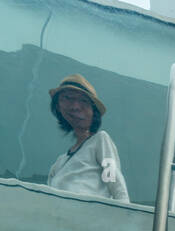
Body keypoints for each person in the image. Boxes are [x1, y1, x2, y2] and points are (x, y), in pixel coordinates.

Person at [47, 74, 129, 203]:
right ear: (58, 106)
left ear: (93, 111)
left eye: (83, 101)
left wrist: (125, 217)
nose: (75, 107)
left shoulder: (100, 141)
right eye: (68, 98)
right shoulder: (58, 165)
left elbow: (114, 183)